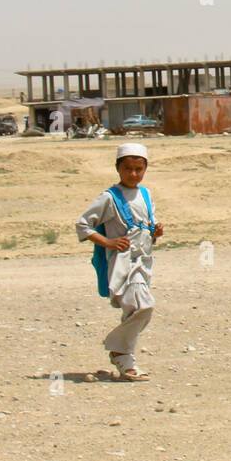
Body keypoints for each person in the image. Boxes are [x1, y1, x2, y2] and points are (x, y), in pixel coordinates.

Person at [75, 143, 164, 380]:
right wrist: (108, 242)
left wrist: (155, 233)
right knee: (143, 306)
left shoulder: (145, 195)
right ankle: (120, 350)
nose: (133, 174)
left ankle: (125, 360)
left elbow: (146, 227)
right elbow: (83, 225)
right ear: (118, 169)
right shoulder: (108, 198)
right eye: (128, 169)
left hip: (143, 263)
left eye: (138, 169)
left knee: (135, 308)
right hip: (122, 264)